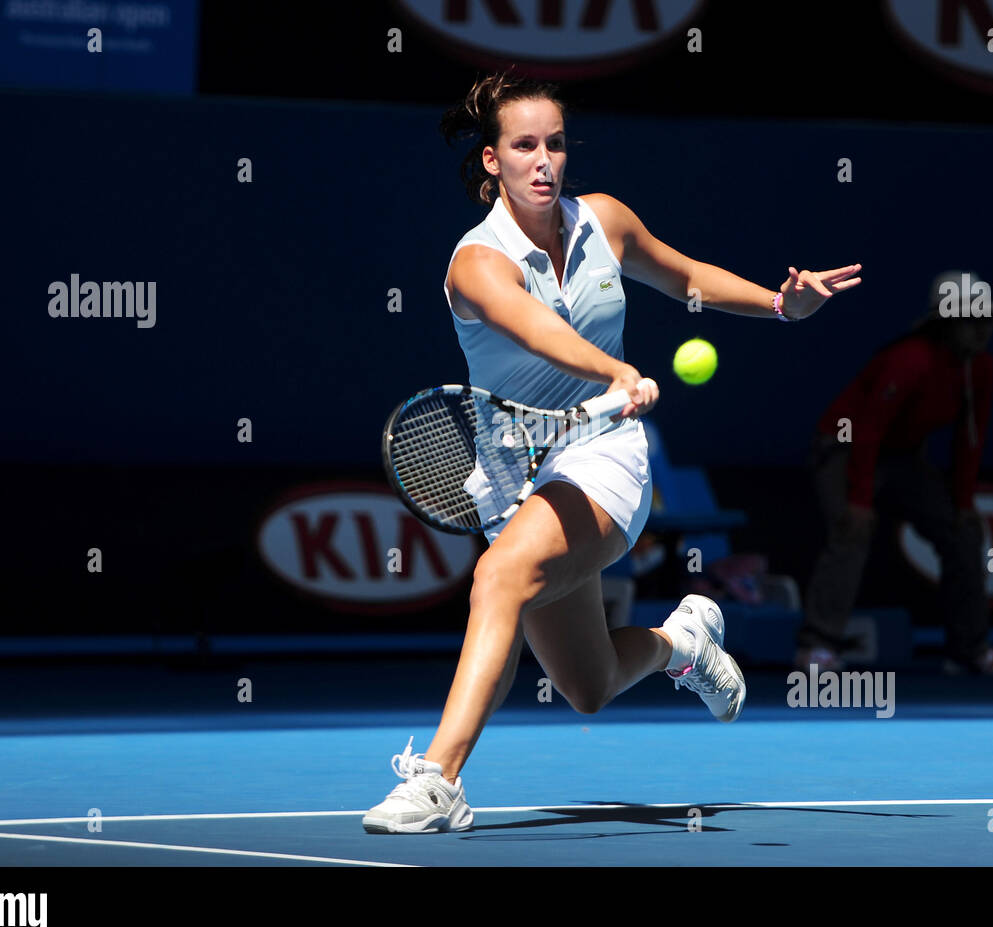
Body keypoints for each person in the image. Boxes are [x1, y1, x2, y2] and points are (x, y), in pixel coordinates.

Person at [364, 72, 862, 833]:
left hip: (604, 459)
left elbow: (686, 275)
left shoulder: (604, 221)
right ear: (492, 160)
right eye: (523, 146)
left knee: (499, 577)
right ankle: (681, 643)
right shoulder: (477, 263)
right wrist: (616, 370)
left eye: (555, 144)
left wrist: (779, 304)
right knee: (588, 686)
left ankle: (437, 781)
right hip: (513, 477)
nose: (544, 161)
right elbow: (537, 330)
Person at [795, 271, 993, 677]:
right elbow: (867, 429)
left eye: (987, 320)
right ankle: (818, 647)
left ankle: (968, 651)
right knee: (853, 529)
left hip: (901, 458)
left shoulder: (983, 368)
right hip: (844, 447)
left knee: (963, 531)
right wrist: (861, 501)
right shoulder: (911, 360)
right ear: (947, 322)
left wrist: (964, 502)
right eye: (973, 320)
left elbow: (970, 440)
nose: (983, 329)